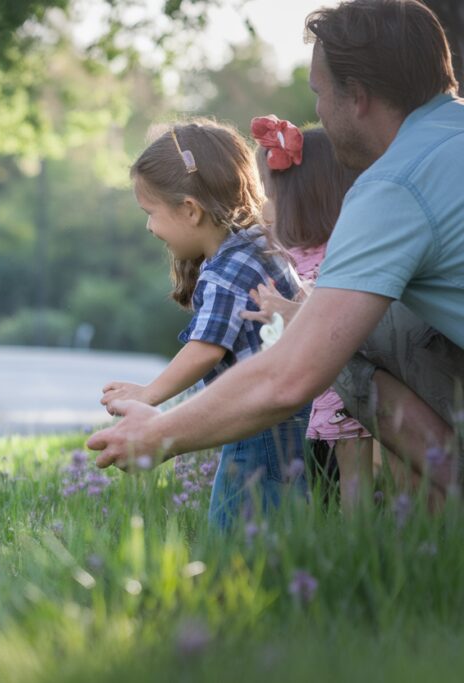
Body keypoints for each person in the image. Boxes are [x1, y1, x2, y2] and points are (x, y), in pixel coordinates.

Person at [87, 0, 463, 503]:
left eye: (319, 93)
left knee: (339, 341)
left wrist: (158, 432)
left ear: (357, 96)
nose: (317, 112)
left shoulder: (394, 186)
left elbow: (292, 374)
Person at [99, 118, 309, 528]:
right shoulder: (259, 243)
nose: (149, 226)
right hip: (291, 416)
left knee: (236, 531)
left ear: (190, 210)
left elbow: (206, 348)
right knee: (281, 526)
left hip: (259, 426)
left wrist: (149, 394)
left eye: (151, 213)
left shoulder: (227, 271)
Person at [240, 119, 373, 511]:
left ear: (304, 199)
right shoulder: (291, 252)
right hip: (312, 387)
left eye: (271, 196)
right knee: (321, 485)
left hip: (344, 385)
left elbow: (339, 317)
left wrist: (288, 311)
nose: (263, 207)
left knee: (354, 480)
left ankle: (362, 539)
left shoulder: (340, 252)